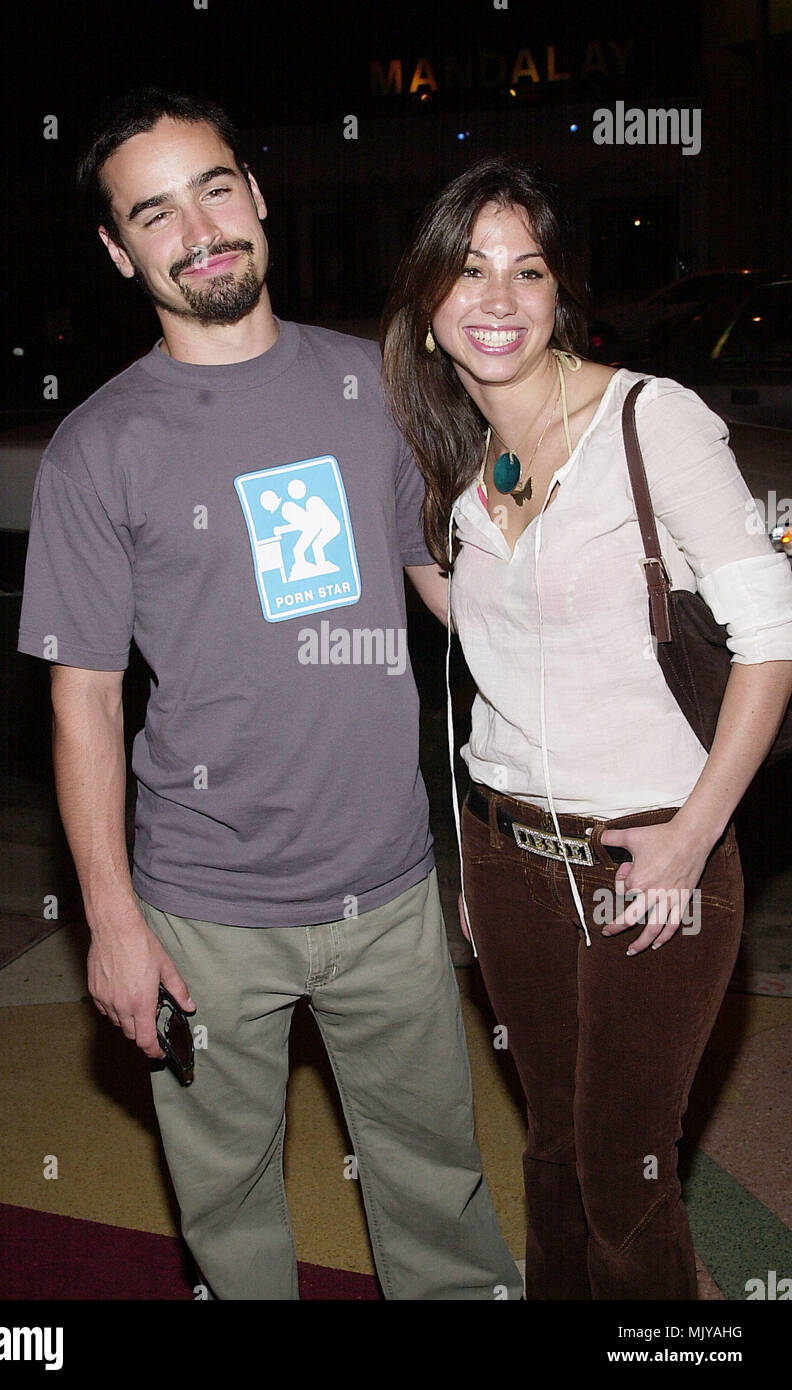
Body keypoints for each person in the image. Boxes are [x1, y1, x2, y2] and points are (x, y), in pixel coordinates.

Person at [17, 89, 522, 1302]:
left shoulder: (375, 385)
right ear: (117, 249)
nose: (197, 227)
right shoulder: (96, 448)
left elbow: (448, 588)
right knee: (227, 1207)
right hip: (201, 910)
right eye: (154, 212)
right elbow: (84, 701)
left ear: (255, 191)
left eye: (214, 186)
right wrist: (112, 923)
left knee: (435, 1187)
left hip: (391, 885)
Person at [380, 155, 792, 1300]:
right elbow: (482, 661)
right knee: (554, 1157)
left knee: (625, 1171)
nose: (498, 299)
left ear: (562, 294)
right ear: (426, 310)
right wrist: (477, 861)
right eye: (466, 273)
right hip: (510, 862)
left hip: (652, 854)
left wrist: (694, 836)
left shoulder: (652, 422)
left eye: (527, 269)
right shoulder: (452, 473)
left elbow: (771, 635)